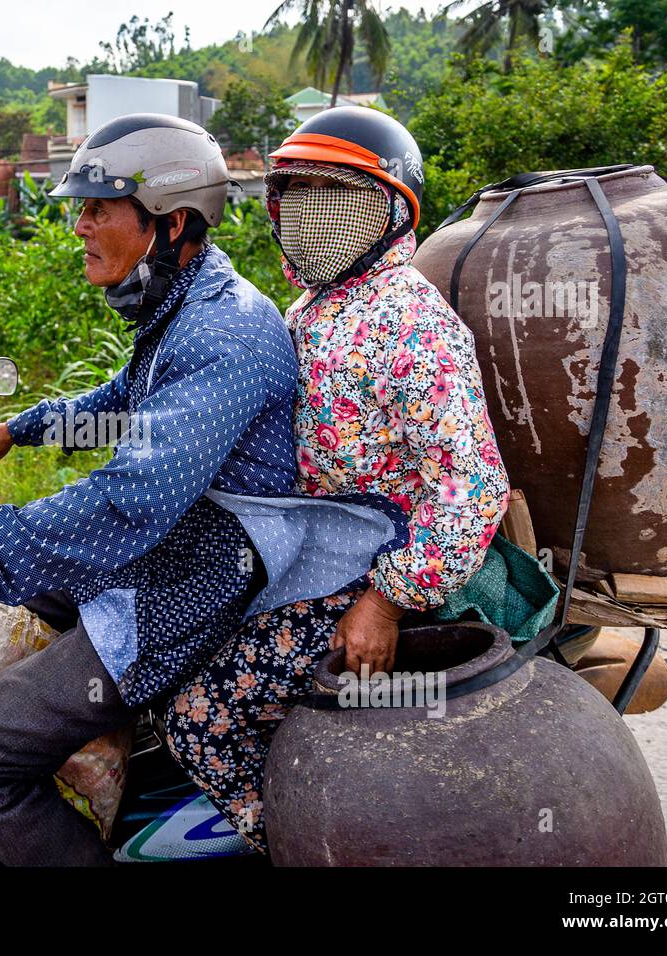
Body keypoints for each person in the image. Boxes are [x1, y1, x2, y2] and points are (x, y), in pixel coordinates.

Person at [0, 114, 313, 866]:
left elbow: (128, 502)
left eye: (98, 209)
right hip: (174, 549)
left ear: (172, 220)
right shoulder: (187, 304)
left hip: (195, 584)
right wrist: (15, 432)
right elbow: (122, 401)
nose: (80, 227)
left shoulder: (222, 336)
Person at [162, 106, 512, 854]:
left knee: (197, 719)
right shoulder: (317, 306)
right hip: (303, 558)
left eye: (337, 191)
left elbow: (471, 487)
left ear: (391, 210)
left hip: (365, 576)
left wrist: (386, 602)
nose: (310, 210)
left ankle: (291, 845)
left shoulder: (416, 325)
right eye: (297, 190)